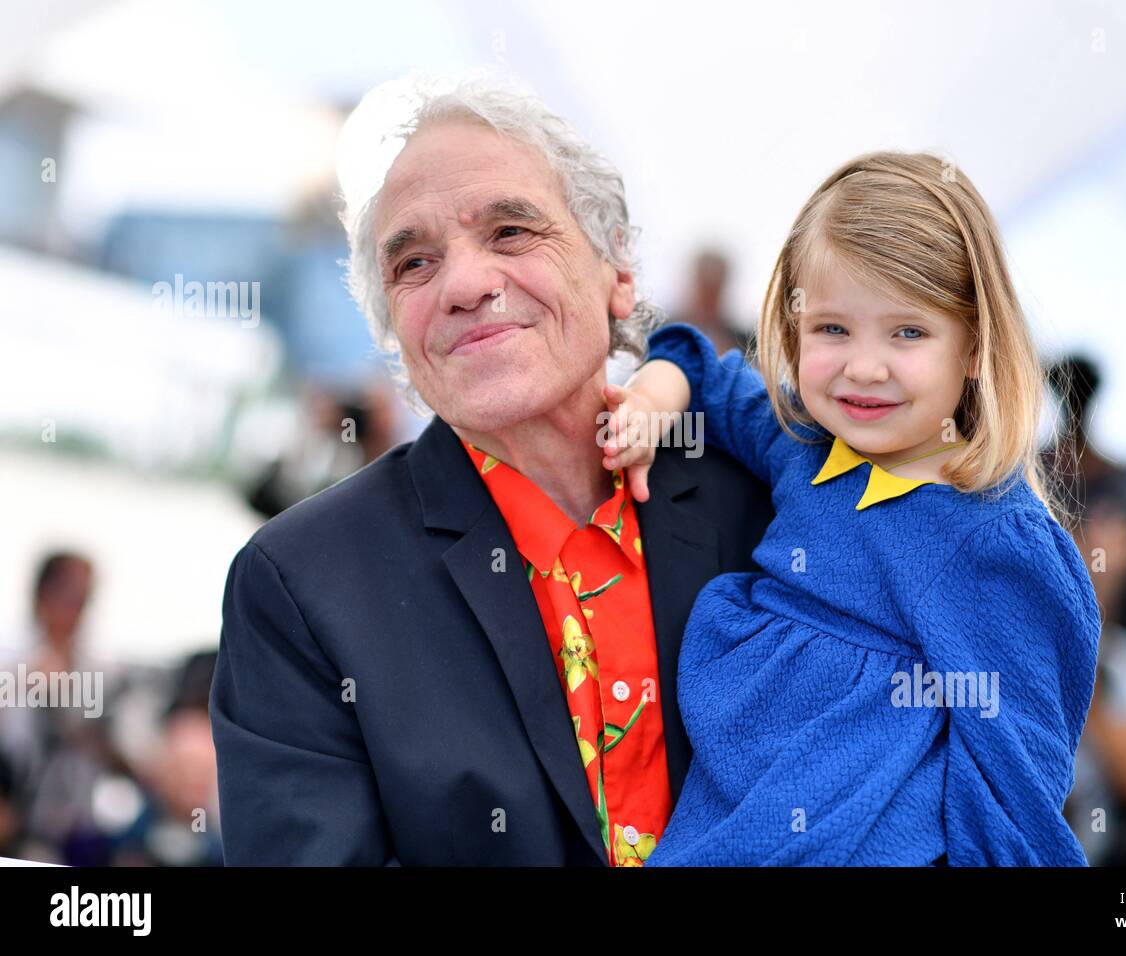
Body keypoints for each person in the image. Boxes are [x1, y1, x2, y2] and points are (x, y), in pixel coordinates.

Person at [208, 75, 773, 866]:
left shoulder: (767, 507)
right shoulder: (302, 586)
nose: (467, 285)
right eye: (414, 263)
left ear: (618, 271)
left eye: (510, 231)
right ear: (392, 330)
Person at [602, 152, 1101, 865]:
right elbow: (702, 367)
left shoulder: (996, 539)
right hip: (729, 825)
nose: (864, 367)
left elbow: (1015, 790)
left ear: (974, 346)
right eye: (832, 329)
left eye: (908, 332)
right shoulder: (802, 439)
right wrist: (652, 401)